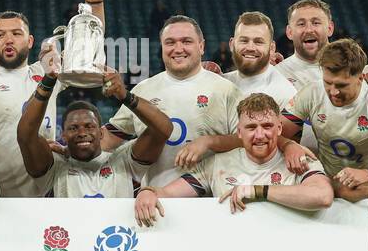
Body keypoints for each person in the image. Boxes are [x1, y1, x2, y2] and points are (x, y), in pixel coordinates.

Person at [0, 0, 105, 197]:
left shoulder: (49, 73)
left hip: (45, 195)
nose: (8, 40)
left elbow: (88, 46)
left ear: (30, 41)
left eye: (16, 34)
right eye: (0, 35)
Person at [134, 93, 333, 223]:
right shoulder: (218, 164)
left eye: (267, 126)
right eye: (251, 127)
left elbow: (323, 196)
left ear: (279, 128)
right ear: (239, 132)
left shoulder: (299, 159)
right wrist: (148, 192)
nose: (260, 135)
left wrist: (257, 191)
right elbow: (167, 193)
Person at [101, 15, 239, 189]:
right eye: (170, 42)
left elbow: (245, 140)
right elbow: (110, 139)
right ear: (162, 47)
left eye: (186, 41)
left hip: (212, 203)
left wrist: (210, 141)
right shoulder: (143, 89)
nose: (178, 48)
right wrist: (65, 151)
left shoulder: (226, 89)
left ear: (201, 46)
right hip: (155, 204)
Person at [19, 65, 170, 197]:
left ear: (101, 132)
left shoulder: (124, 161)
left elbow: (163, 129)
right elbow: (26, 136)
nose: (82, 132)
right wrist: (48, 81)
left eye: (89, 126)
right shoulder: (54, 167)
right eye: (73, 128)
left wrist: (125, 96)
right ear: (63, 136)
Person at [281, 38, 368, 188]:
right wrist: (288, 144)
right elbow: (274, 132)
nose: (333, 92)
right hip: (324, 182)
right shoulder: (312, 93)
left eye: (342, 85)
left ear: (361, 78)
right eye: (328, 83)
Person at [222, 12, 297, 107]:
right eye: (244, 41)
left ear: (272, 48)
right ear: (232, 45)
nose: (250, 47)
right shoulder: (220, 82)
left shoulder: (285, 94)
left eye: (258, 42)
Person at [276, 0, 334, 90]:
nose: (309, 30)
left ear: (330, 29)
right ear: (289, 32)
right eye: (301, 24)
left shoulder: (353, 68)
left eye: (316, 23)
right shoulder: (277, 74)